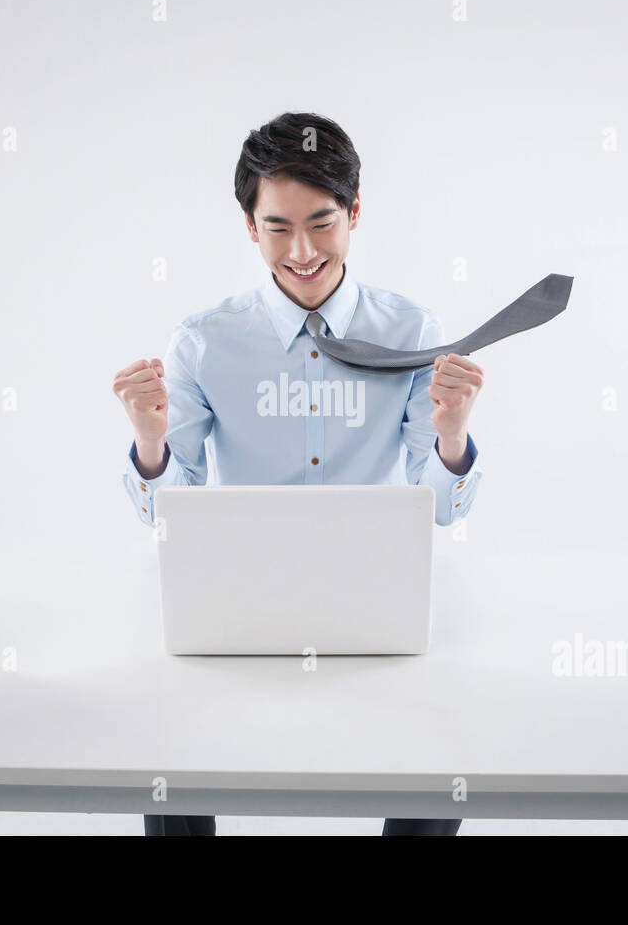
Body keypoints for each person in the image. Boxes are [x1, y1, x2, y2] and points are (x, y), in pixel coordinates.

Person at [112, 112, 485, 836]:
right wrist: (152, 446)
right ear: (250, 227)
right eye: (278, 227)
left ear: (353, 213)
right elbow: (170, 515)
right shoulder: (204, 341)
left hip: (378, 601)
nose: (303, 250)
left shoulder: (410, 332)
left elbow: (440, 510)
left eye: (321, 222)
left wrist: (451, 438)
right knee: (160, 760)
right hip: (236, 604)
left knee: (444, 761)